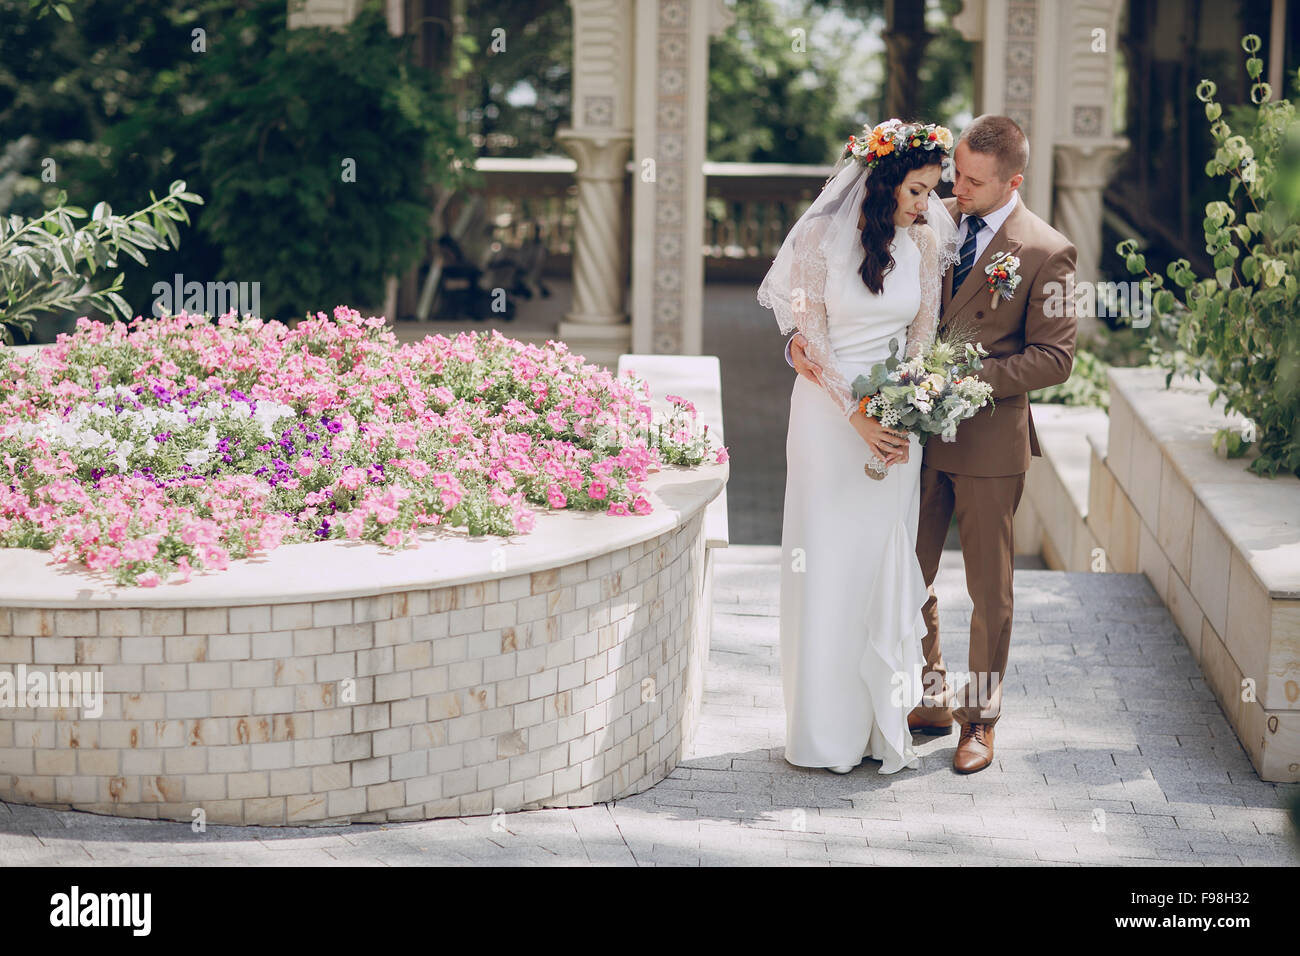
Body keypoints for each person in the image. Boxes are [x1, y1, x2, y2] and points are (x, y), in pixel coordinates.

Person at [785, 115, 1078, 773]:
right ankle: (928, 693)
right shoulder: (919, 216)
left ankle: (980, 721)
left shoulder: (1046, 249)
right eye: (955, 176)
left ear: (1013, 181)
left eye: (972, 182)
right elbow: (848, 295)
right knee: (903, 573)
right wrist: (800, 345)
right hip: (909, 436)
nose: (955, 191)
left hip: (985, 440)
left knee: (989, 590)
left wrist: (957, 381)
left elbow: (1055, 360)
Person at [757, 118, 961, 775]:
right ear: (880, 184)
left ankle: (879, 729)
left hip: (895, 434)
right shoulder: (817, 240)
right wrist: (859, 415)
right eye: (913, 190)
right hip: (826, 422)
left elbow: (921, 340)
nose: (922, 204)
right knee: (826, 569)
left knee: (880, 569)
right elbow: (810, 341)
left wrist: (905, 410)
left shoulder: (925, 245)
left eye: (931, 192)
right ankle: (821, 731)